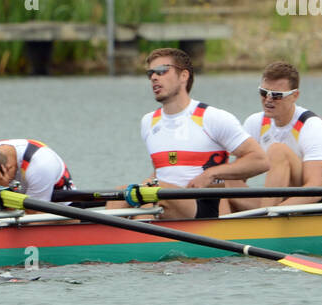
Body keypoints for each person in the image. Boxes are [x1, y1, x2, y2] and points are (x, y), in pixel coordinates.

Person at [110, 48, 269, 220]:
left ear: (184, 76)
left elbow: (260, 161)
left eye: (162, 71)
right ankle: (106, 241)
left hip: (203, 207)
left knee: (154, 195)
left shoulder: (212, 118)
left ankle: (134, 237)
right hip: (163, 201)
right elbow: (162, 171)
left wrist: (211, 174)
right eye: (150, 73)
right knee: (118, 195)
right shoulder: (149, 122)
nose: (154, 77)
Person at [222, 62, 322, 212]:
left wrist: (274, 211)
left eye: (276, 95)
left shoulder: (313, 126)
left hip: (313, 204)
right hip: (276, 202)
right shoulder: (255, 122)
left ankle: (264, 221)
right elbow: (240, 174)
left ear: (295, 96)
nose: (268, 99)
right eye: (263, 92)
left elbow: (314, 188)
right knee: (226, 175)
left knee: (277, 151)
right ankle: (221, 225)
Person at [0, 139, 76, 213]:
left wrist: (5, 193)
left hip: (56, 209)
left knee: (68, 220)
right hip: (18, 205)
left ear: (9, 169)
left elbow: (34, 219)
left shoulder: (41, 165)